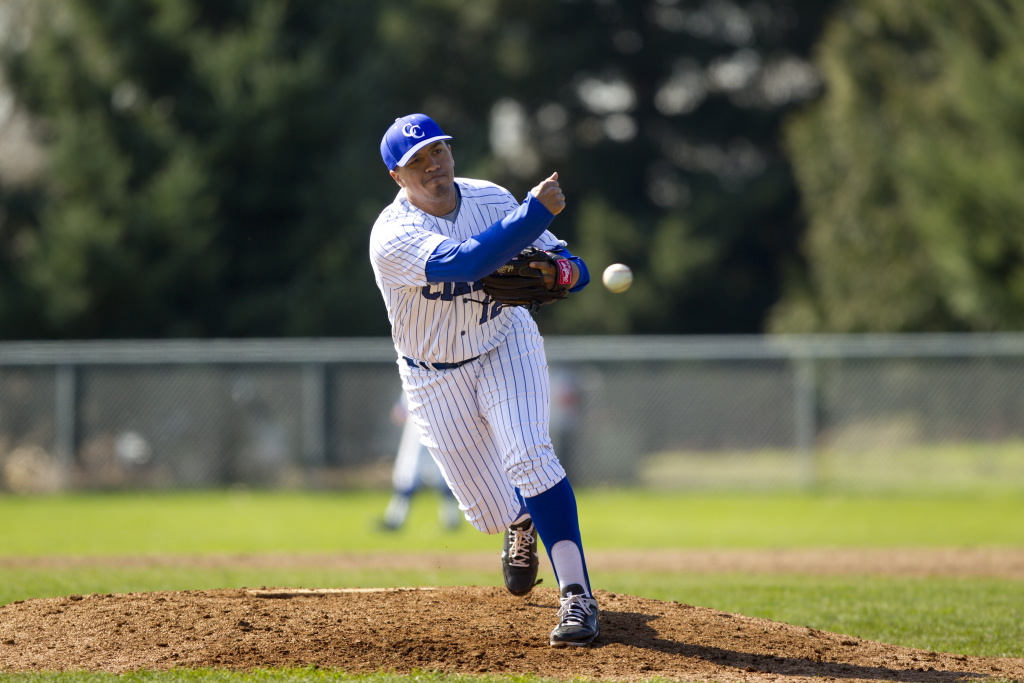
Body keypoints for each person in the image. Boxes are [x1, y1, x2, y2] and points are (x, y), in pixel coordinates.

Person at [370, 113, 599, 647]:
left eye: (438, 152)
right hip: (433, 376)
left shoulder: (490, 199)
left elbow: (571, 263)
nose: (433, 167)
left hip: (504, 342)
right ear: (397, 178)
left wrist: (566, 272)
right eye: (417, 162)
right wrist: (534, 211)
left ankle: (577, 596)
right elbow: (468, 263)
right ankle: (521, 520)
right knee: (488, 511)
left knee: (529, 455)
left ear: (451, 151)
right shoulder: (393, 234)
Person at [381, 393, 461, 531]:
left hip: (424, 424)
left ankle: (395, 519)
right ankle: (452, 520)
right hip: (430, 423)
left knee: (410, 472)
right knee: (439, 472)